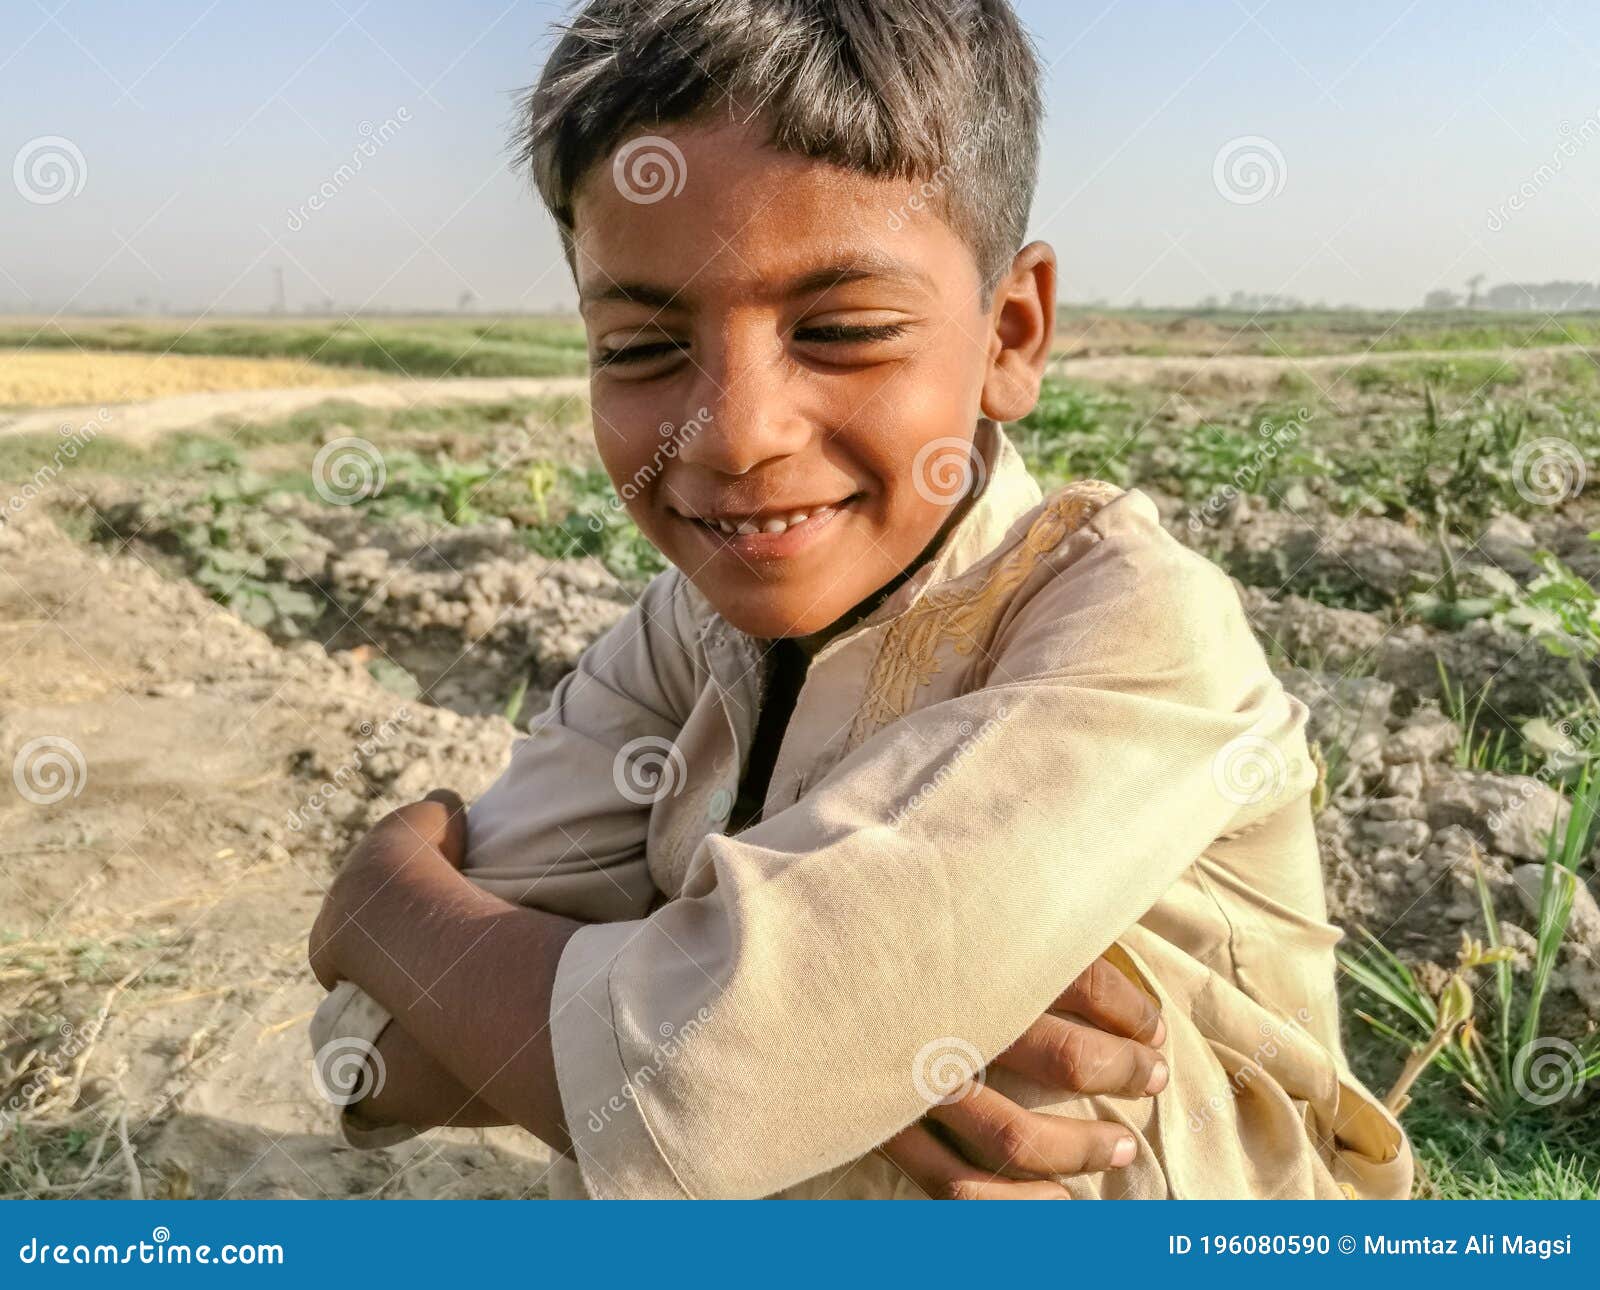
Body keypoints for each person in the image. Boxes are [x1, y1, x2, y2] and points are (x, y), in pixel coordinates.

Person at [309, 0, 1411, 1200]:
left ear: (1011, 332)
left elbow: (700, 1085)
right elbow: (372, 1056)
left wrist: (383, 898)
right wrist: (806, 1039)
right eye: (638, 349)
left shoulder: (1133, 631)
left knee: (1040, 1087)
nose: (734, 435)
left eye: (841, 331)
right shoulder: (678, 637)